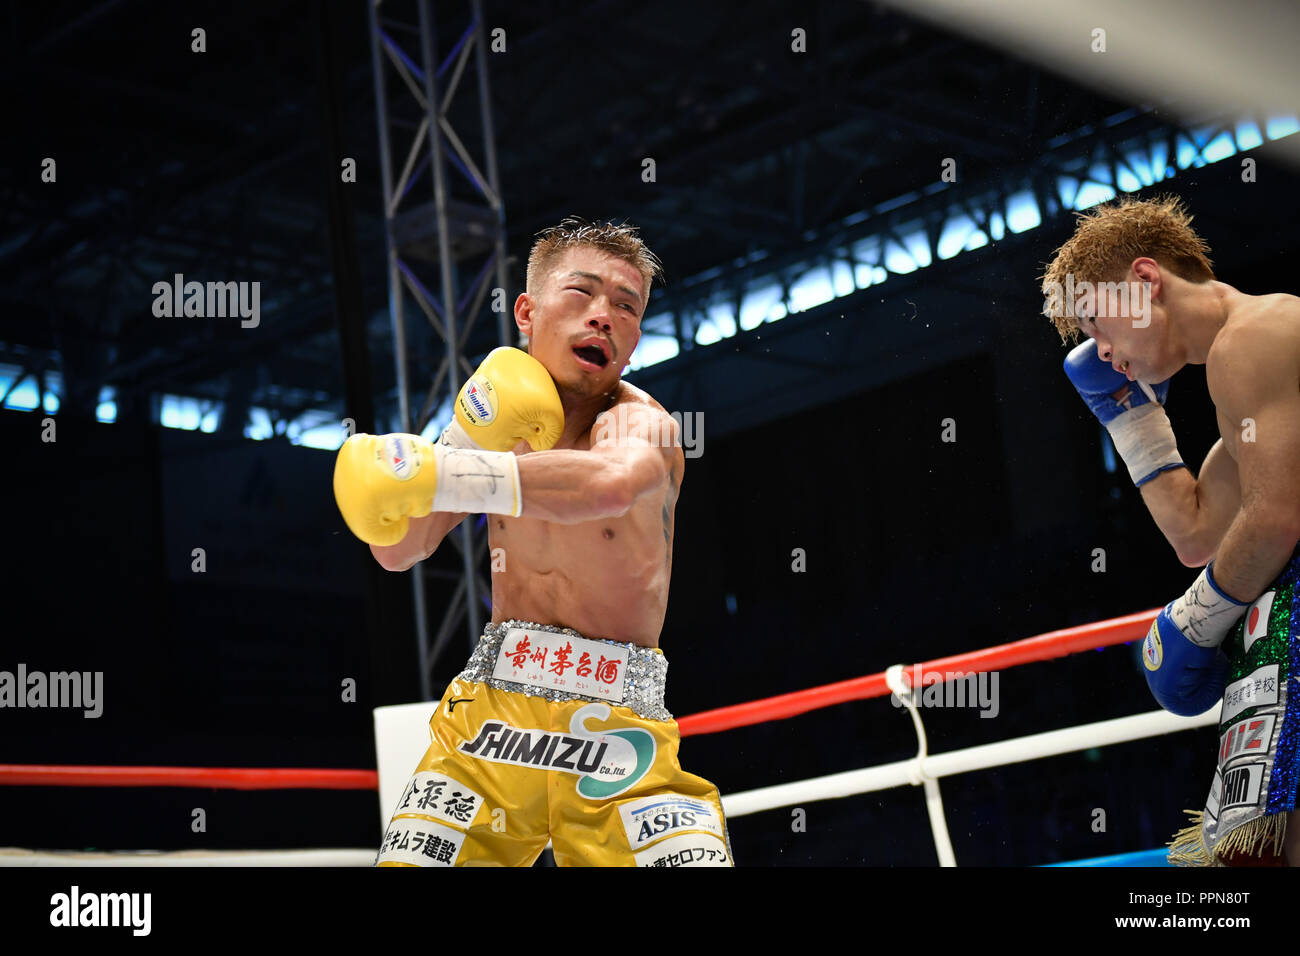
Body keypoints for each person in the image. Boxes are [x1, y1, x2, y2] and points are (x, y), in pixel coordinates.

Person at [333, 218, 733, 866]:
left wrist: (442, 470)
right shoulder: (492, 423)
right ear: (526, 310)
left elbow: (605, 487)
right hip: (490, 715)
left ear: (634, 338)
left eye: (626, 307)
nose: (603, 316)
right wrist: (457, 447)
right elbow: (400, 550)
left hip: (613, 723)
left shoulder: (642, 424)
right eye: (581, 293)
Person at [1044, 195, 1300, 866]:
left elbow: (1274, 520)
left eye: (1099, 323)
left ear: (1146, 281)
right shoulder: (1242, 373)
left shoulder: (1255, 337)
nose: (1103, 351)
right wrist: (1128, 417)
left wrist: (1194, 618)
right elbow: (1198, 534)